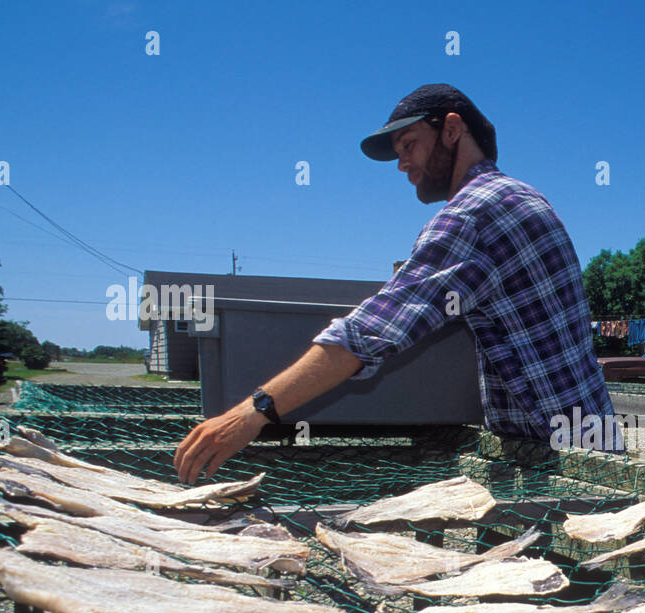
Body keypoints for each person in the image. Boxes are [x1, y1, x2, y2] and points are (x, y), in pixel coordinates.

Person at [175, 83, 618, 483]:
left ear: (451, 129)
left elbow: (371, 332)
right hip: (589, 439)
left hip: (567, 461)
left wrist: (253, 411)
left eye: (410, 145)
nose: (403, 163)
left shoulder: (473, 214)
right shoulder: (522, 195)